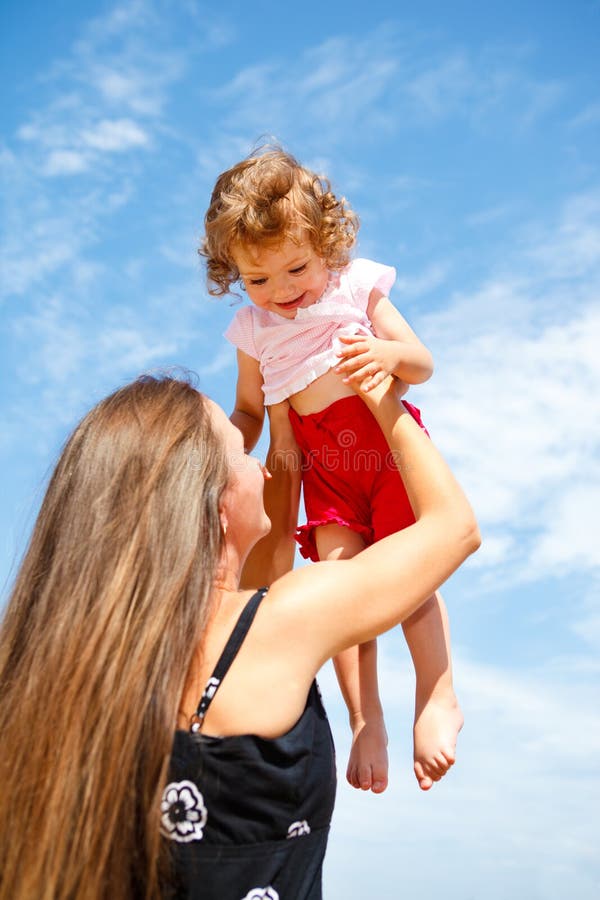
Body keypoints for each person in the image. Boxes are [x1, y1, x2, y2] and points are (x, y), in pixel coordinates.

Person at [0, 372, 479, 899]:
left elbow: (273, 543)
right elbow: (454, 528)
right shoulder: (277, 624)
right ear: (213, 502)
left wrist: (282, 421)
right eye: (243, 453)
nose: (262, 467)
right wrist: (381, 398)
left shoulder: (60, 667)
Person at [201, 145, 464, 793]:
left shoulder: (354, 285)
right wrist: (225, 447)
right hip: (322, 469)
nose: (282, 292)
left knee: (411, 576)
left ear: (326, 244)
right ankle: (365, 718)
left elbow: (421, 362)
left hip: (384, 449)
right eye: (258, 280)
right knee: (337, 584)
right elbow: (249, 410)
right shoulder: (253, 330)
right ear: (233, 274)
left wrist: (387, 355)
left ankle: (436, 694)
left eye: (296, 268)